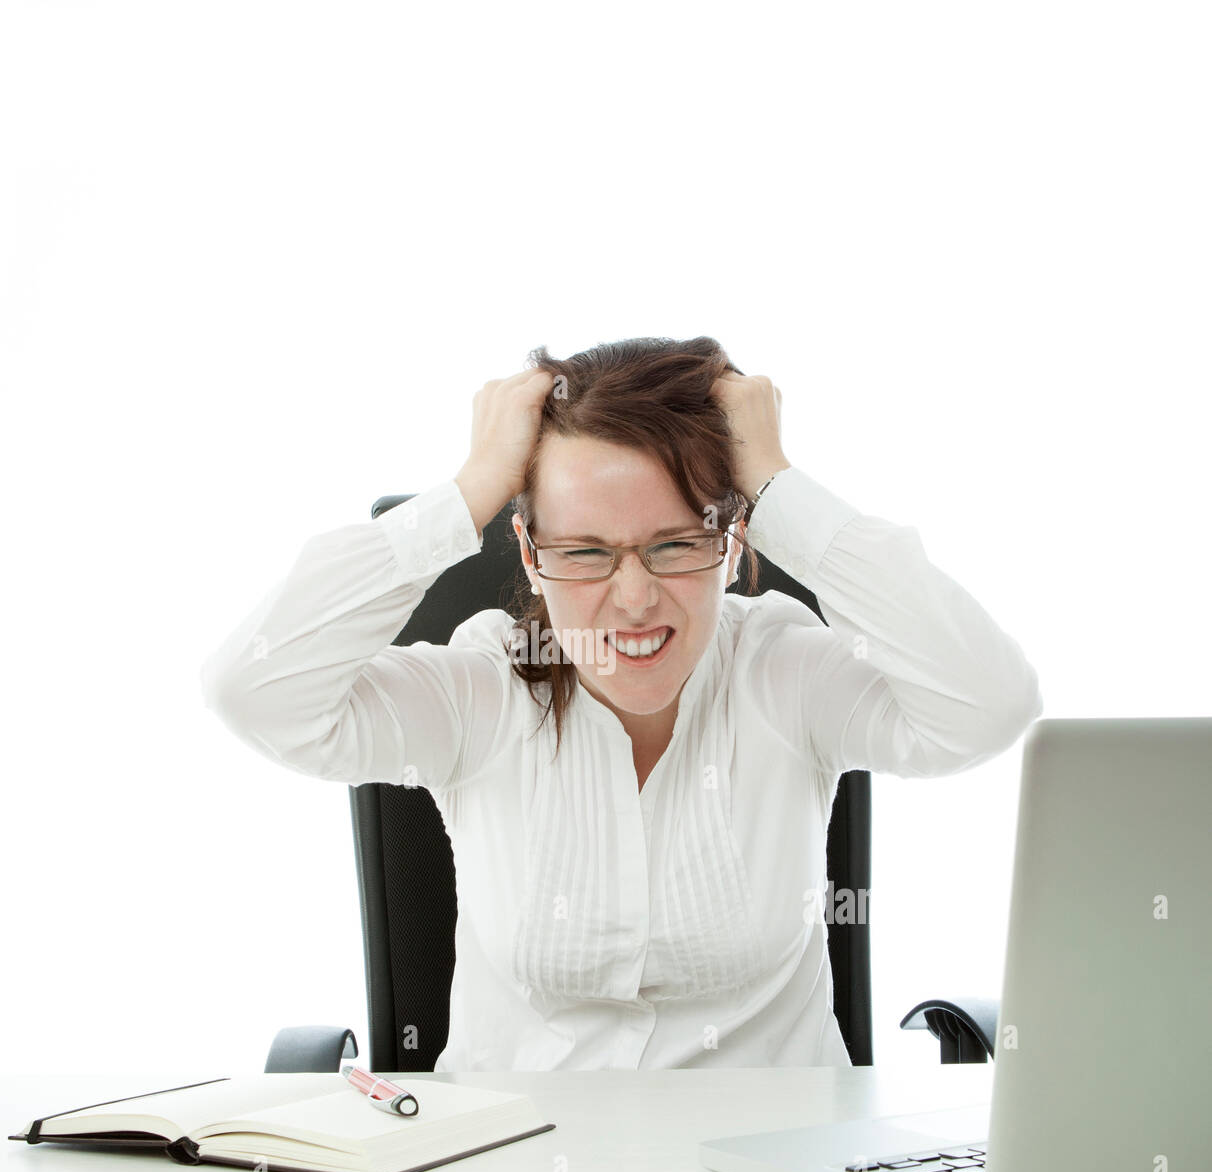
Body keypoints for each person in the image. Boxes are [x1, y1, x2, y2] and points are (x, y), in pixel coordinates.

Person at [200, 335, 1043, 1070]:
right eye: (584, 552)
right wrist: (470, 491)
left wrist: (778, 486)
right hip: (513, 1171)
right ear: (528, 552)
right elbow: (253, 688)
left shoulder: (784, 671)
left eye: (675, 544)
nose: (634, 599)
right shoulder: (483, 689)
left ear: (732, 539)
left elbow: (991, 704)